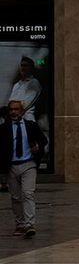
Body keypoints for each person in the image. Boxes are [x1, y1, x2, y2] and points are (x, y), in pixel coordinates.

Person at [2, 97, 45, 236]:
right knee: (15, 197)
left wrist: (37, 147)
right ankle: (20, 224)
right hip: (12, 166)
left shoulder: (31, 126)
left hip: (28, 164)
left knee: (28, 194)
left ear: (22, 111)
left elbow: (43, 141)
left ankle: (29, 224)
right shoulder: (4, 129)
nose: (13, 112)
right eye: (11, 110)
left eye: (16, 109)